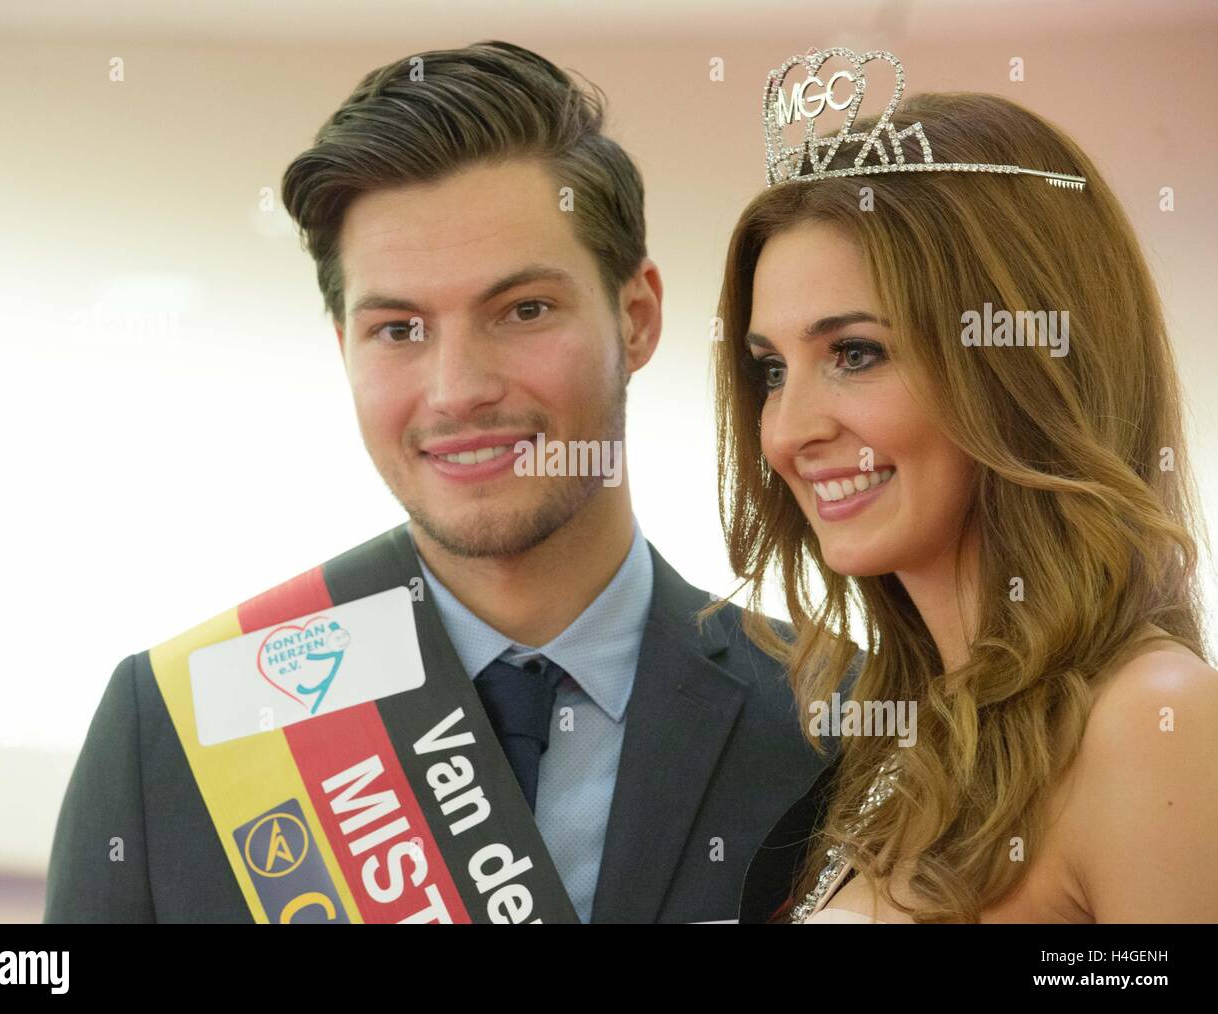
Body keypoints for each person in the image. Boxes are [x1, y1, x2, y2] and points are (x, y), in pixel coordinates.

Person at [43, 40, 832, 924]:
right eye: (398, 329)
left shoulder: (841, 728)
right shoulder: (182, 725)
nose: (459, 390)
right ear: (344, 347)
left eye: (524, 310)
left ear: (637, 317)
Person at [716, 48, 1218, 923]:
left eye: (856, 353)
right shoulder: (900, 740)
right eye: (771, 370)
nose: (790, 433)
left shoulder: (1151, 723)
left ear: (1022, 366)